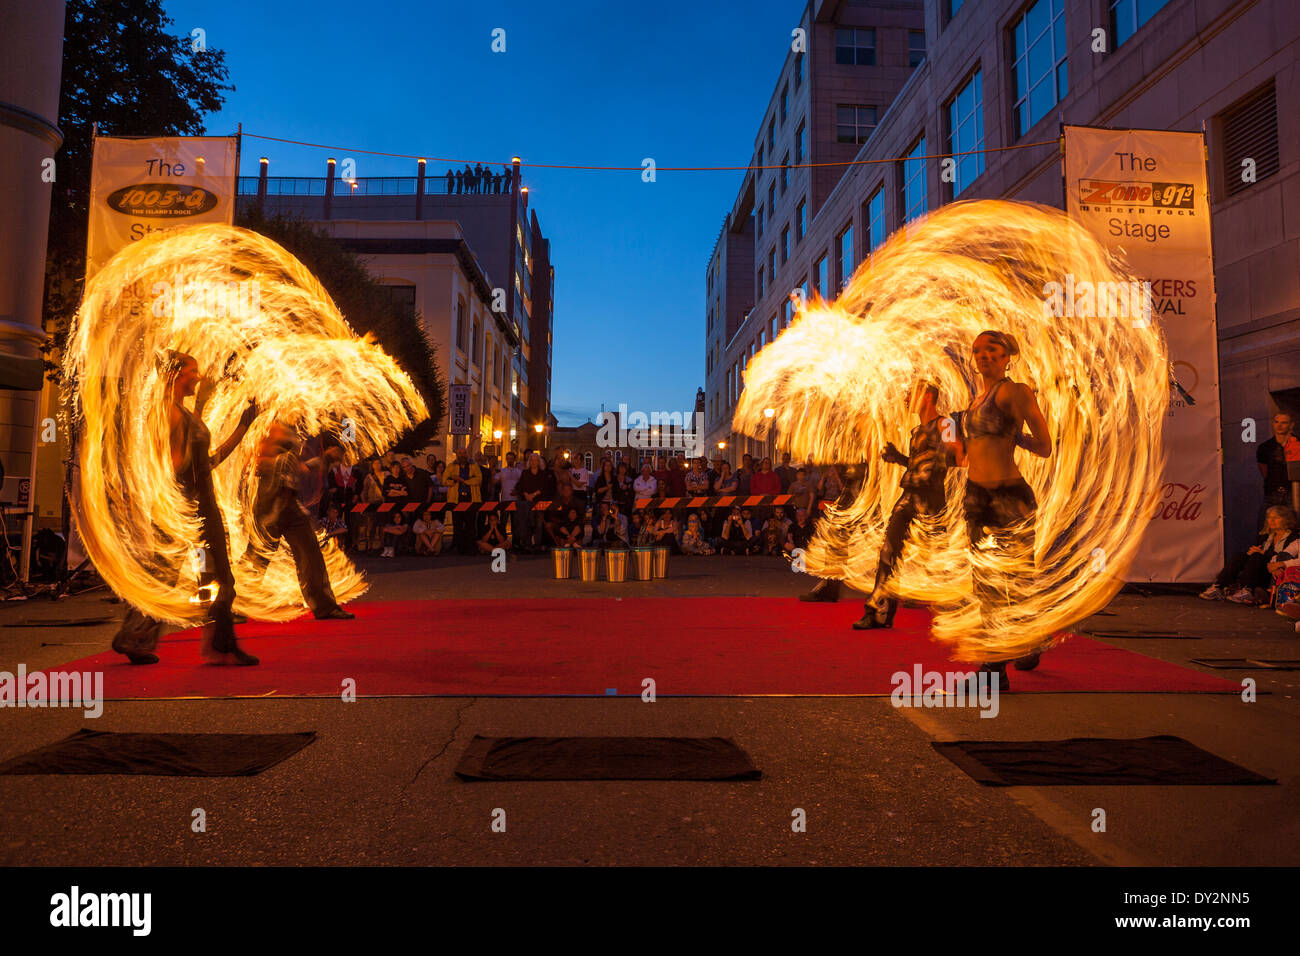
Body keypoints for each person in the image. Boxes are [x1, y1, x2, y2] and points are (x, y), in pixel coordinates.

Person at [111, 351, 261, 666]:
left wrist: (241, 426)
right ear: (175, 375)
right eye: (193, 371)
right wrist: (177, 506)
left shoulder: (180, 411)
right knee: (212, 577)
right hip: (191, 510)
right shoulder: (169, 413)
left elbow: (204, 460)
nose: (199, 376)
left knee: (185, 576)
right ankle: (217, 647)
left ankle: (135, 636)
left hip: (193, 509)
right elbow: (174, 465)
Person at [946, 330, 1053, 686]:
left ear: (1008, 357)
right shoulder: (975, 400)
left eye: (992, 350)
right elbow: (968, 451)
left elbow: (1045, 447)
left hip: (1009, 499)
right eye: (978, 350)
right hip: (976, 498)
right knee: (985, 583)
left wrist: (1016, 436)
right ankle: (1019, 647)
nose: (984, 355)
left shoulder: (1015, 392)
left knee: (1013, 580)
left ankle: (1000, 663)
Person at [854, 382, 950, 630]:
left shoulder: (946, 425)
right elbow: (918, 464)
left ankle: (960, 611)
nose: (906, 398)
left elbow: (956, 457)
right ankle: (878, 612)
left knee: (942, 558)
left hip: (931, 499)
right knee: (888, 552)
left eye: (911, 393)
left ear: (927, 397)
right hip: (908, 497)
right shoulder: (916, 431)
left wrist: (938, 453)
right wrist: (898, 458)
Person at [243, 422, 355, 620]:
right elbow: (253, 464)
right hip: (270, 503)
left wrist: (325, 459)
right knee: (257, 556)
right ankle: (233, 605)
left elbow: (300, 468)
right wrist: (278, 467)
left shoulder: (291, 427)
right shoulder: (269, 426)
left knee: (310, 554)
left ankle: (325, 606)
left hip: (290, 503)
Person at [1201, 505, 1300, 605]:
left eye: (1276, 518)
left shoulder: (1293, 537)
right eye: (1269, 517)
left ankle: (1248, 590)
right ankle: (1218, 587)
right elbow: (1260, 553)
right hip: (1260, 567)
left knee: (1257, 557)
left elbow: (1284, 556)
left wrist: (1262, 554)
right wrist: (1252, 552)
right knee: (1240, 556)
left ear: (1286, 519)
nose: (1271, 521)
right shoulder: (1266, 536)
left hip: (1275, 571)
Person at [443, 447, 483, 555]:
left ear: (467, 454)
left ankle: (470, 547)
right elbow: (444, 480)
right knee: (457, 524)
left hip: (471, 498)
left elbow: (479, 479)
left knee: (470, 524)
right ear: (457, 455)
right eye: (460, 453)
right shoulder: (451, 466)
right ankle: (458, 547)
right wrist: (454, 481)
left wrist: (463, 481)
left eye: (464, 453)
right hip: (456, 499)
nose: (462, 455)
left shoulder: (474, 466)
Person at [515, 452, 549, 552]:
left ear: (539, 462)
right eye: (532, 460)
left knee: (538, 525)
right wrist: (526, 494)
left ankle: (537, 545)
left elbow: (545, 487)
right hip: (527, 503)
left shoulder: (543, 474)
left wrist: (534, 494)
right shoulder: (525, 473)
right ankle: (527, 545)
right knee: (527, 524)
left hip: (539, 502)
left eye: (536, 460)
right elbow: (520, 486)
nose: (534, 462)